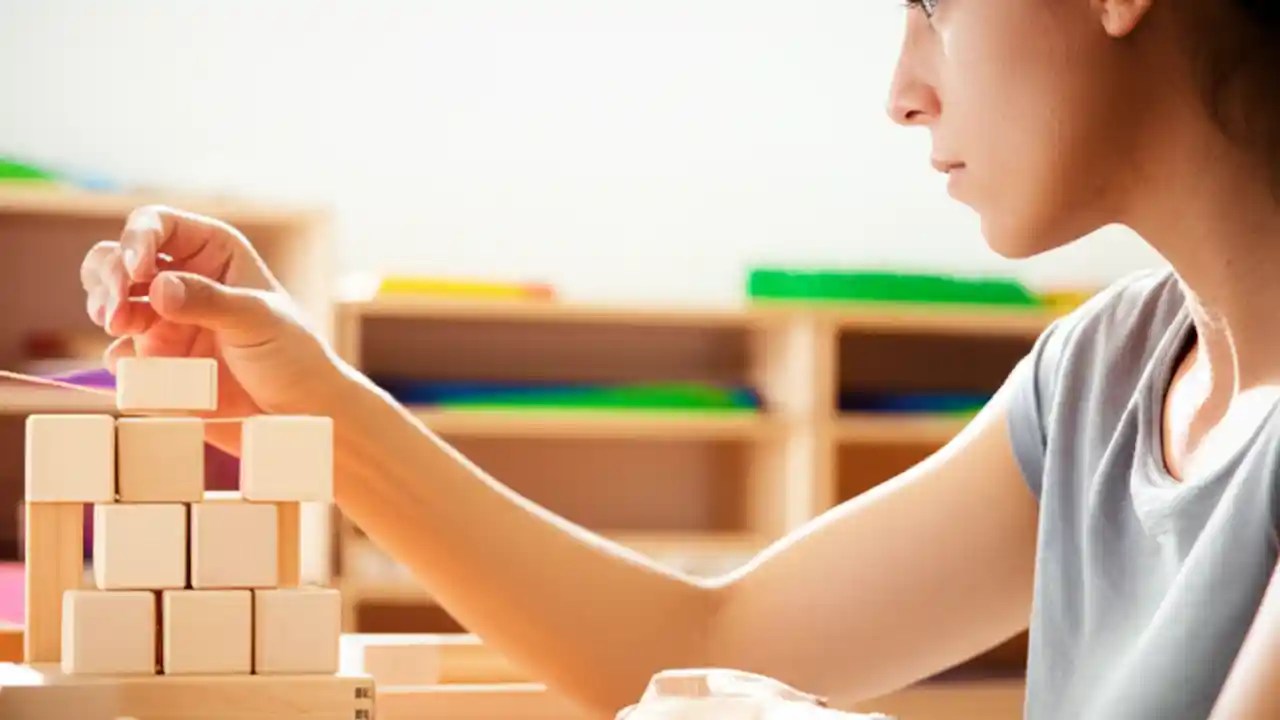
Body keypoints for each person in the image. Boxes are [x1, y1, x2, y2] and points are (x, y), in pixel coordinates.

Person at [77, 0, 1280, 717]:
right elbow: (706, 649)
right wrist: (316, 411)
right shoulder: (1100, 379)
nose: (901, 92)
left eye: (933, 2)